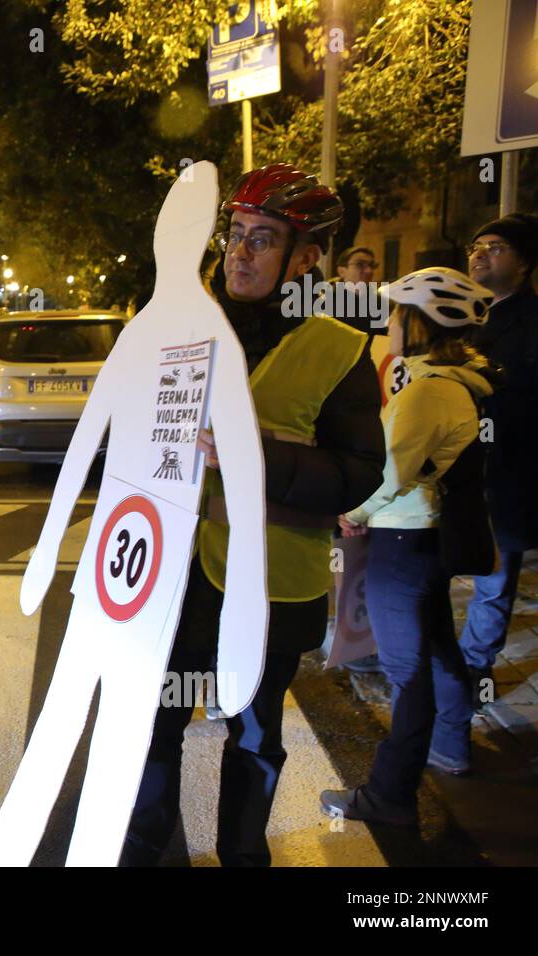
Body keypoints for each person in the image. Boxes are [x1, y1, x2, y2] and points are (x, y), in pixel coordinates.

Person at [121, 163, 386, 866]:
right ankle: (145, 845)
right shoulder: (182, 330)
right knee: (156, 723)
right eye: (235, 234)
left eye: (261, 240)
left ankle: (243, 856)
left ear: (305, 258)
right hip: (171, 577)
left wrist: (256, 454)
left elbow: (360, 473)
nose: (239, 253)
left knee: (256, 736)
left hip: (270, 582)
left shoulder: (339, 350)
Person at [321, 268, 497, 824]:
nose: (388, 323)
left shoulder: (428, 392)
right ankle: (451, 745)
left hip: (402, 541)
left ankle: (391, 795)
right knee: (438, 650)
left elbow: (390, 471)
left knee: (407, 670)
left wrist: (351, 513)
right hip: (423, 537)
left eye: (396, 313)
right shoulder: (449, 384)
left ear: (419, 323)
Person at [459, 213, 538, 710]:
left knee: (494, 577)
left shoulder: (530, 322)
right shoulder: (462, 313)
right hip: (453, 467)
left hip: (505, 472)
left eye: (495, 247)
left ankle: (473, 669)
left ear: (524, 264)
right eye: (476, 245)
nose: (480, 254)